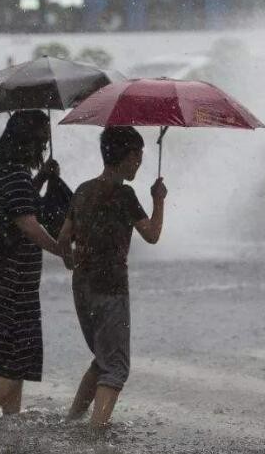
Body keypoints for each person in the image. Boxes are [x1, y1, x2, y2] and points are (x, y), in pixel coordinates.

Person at [57, 126, 167, 430]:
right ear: (129, 156)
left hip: (82, 286)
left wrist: (70, 263)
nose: (140, 163)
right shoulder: (124, 194)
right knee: (116, 367)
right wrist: (158, 199)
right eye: (139, 157)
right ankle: (95, 435)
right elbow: (153, 235)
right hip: (112, 287)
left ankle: (72, 420)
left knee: (102, 358)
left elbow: (63, 237)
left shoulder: (82, 190)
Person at [0, 110, 61, 422]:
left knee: (15, 357)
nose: (45, 147)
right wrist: (63, 251)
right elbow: (27, 223)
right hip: (11, 282)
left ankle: (10, 421)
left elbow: (9, 207)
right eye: (43, 141)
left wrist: (41, 179)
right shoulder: (15, 174)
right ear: (30, 141)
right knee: (13, 359)